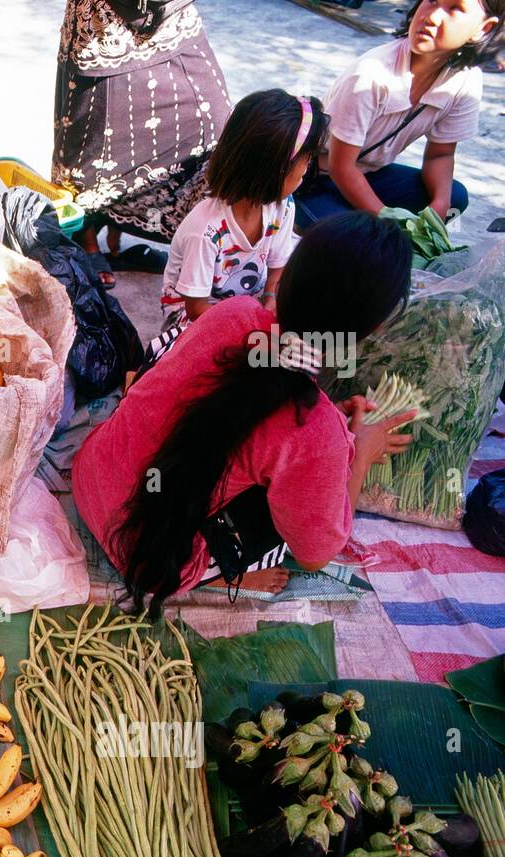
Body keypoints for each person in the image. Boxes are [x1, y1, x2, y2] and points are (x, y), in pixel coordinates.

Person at [70, 213, 416, 616]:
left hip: (91, 479)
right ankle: (215, 572)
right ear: (371, 327)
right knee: (296, 507)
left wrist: (329, 430)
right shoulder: (316, 434)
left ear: (288, 278)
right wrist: (360, 452)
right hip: (144, 559)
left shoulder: (234, 313)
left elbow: (251, 406)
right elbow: (316, 553)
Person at [51, 0, 232, 288]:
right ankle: (89, 240)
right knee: (95, 139)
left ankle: (167, 232)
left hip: (172, 22)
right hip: (104, 27)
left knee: (213, 127)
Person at [146, 90, 326, 364]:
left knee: (307, 337)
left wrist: (269, 298)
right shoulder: (205, 230)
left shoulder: (283, 206)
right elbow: (196, 308)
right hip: (195, 313)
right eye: (306, 159)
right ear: (275, 171)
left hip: (248, 302)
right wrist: (251, 332)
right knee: (215, 365)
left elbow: (278, 264)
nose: (308, 167)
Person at [295, 0, 503, 229]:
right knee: (359, 240)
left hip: (369, 175)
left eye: (454, 8)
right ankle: (299, 219)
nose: (432, 17)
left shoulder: (466, 80)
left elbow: (440, 155)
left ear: (484, 29)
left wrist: (439, 205)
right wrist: (386, 218)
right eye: (431, 1)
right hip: (314, 179)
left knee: (456, 197)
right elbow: (341, 167)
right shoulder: (370, 75)